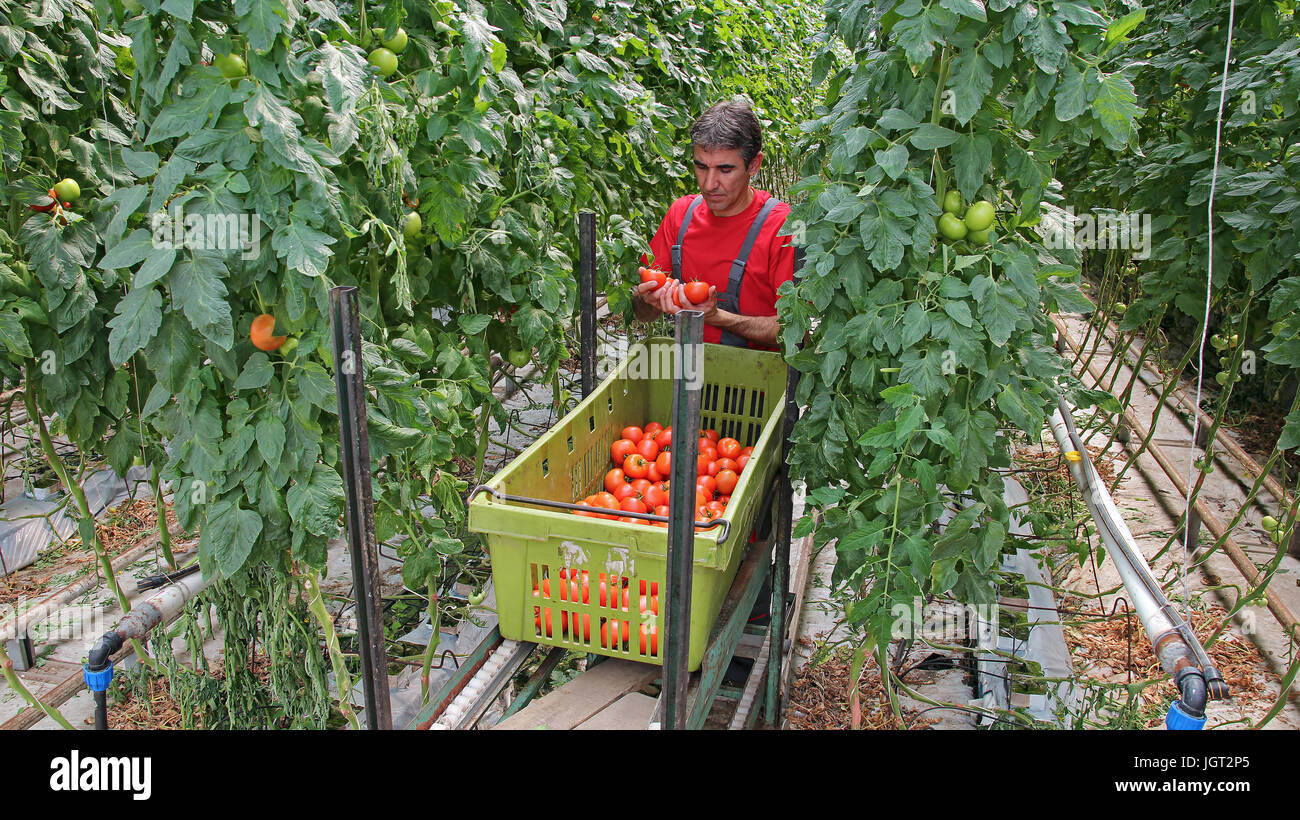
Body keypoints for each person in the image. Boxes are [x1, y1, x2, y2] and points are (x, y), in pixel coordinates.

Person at [633, 100, 795, 350]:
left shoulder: (782, 228)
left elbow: (797, 331)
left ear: (754, 164)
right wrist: (647, 300)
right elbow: (643, 314)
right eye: (701, 167)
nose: (709, 184)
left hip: (761, 381)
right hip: (691, 377)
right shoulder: (681, 215)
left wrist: (718, 317)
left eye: (725, 169)